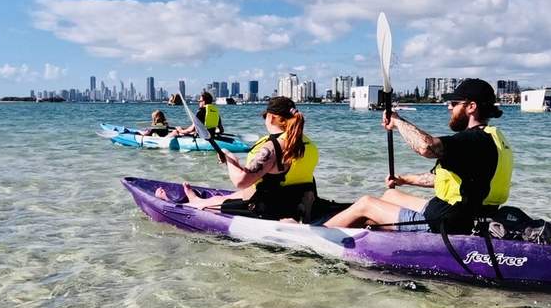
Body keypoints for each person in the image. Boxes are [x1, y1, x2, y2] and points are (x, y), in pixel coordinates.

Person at [323, 78, 513, 234]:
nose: (449, 107)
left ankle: (319, 236)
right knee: (391, 194)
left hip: (445, 224)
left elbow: (426, 147)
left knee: (366, 204)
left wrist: (397, 122)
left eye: (454, 103)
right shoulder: (492, 138)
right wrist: (405, 180)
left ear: (471, 106)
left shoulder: (472, 140)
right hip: (462, 215)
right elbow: (446, 179)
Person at [155, 96, 320, 221]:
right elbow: (272, 173)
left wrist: (229, 157)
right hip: (299, 203)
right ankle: (196, 199)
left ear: (270, 117)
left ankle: (182, 204)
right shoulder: (307, 143)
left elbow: (241, 181)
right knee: (225, 198)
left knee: (206, 207)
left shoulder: (273, 147)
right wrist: (235, 162)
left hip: (270, 208)